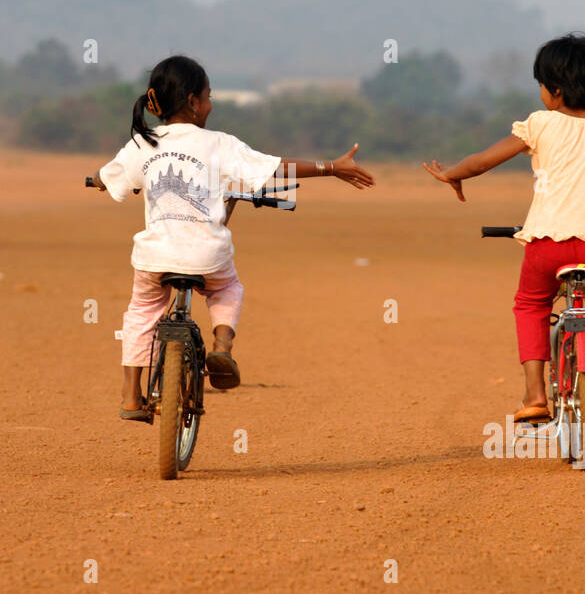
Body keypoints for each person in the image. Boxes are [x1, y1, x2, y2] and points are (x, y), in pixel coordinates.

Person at [91, 55, 375, 422]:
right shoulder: (219, 144)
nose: (211, 105)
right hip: (207, 257)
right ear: (193, 102)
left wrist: (98, 181)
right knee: (227, 289)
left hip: (153, 258)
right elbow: (276, 169)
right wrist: (331, 167)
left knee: (142, 312)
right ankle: (222, 345)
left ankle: (131, 395)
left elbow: (107, 176)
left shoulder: (142, 144)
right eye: (208, 96)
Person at [423, 33, 585, 423]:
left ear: (556, 91)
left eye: (541, 86)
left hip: (548, 247)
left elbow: (481, 162)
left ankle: (534, 395)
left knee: (530, 303)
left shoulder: (540, 123)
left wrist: (451, 175)